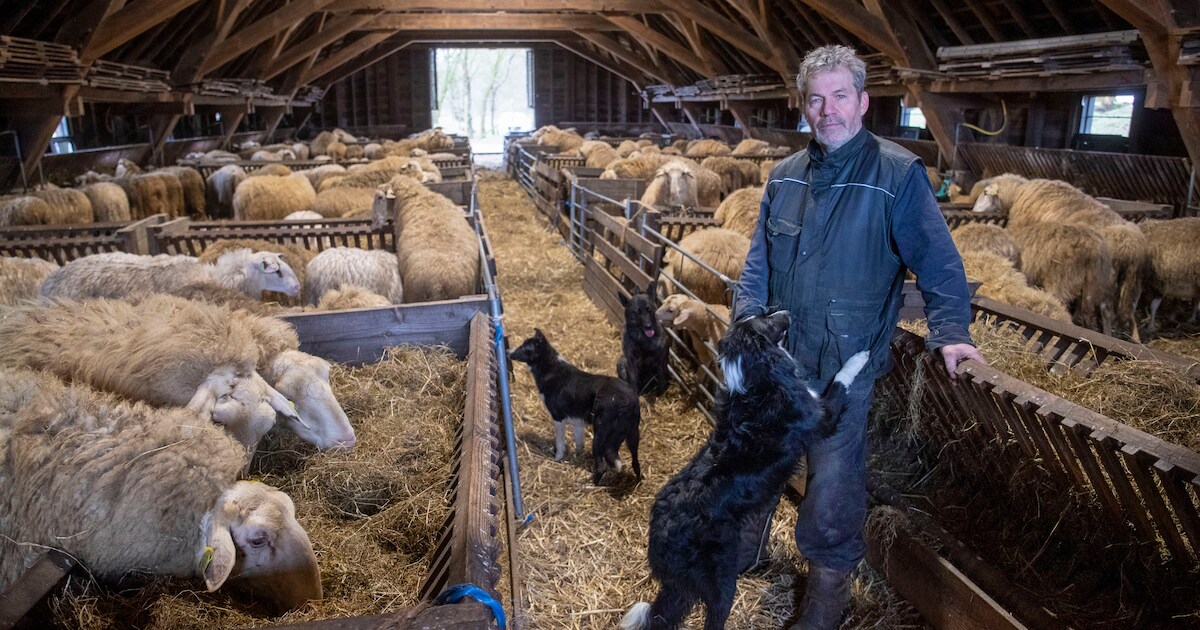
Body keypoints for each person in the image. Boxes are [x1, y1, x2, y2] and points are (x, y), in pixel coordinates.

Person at [731, 45, 986, 630]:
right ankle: (739, 554)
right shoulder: (785, 177)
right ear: (804, 107)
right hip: (781, 361)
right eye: (816, 100)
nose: (828, 111)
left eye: (840, 96)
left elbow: (940, 263)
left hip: (845, 364)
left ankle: (825, 594)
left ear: (864, 102)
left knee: (832, 484)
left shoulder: (896, 176)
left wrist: (951, 330)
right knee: (758, 459)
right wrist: (748, 317)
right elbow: (758, 263)